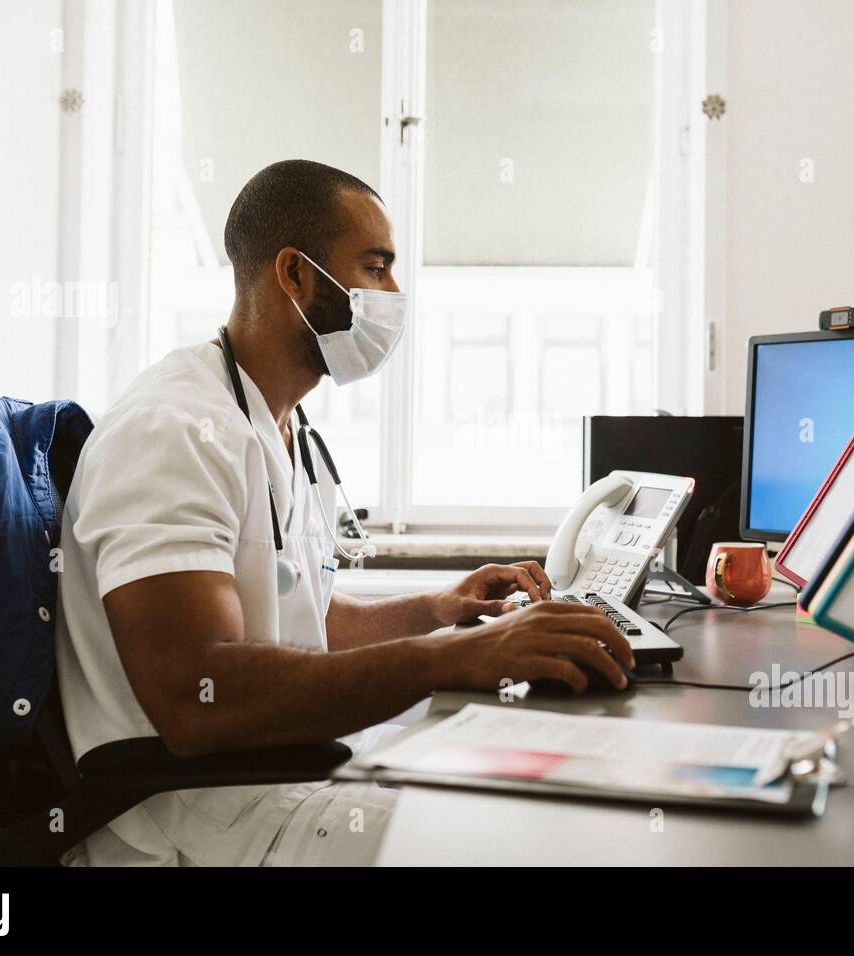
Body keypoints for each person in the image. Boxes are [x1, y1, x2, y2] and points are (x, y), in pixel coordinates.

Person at [54, 159, 632, 866]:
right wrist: (456, 658)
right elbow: (192, 697)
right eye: (376, 267)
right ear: (294, 275)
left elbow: (301, 623)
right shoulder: (173, 429)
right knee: (535, 837)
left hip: (280, 777)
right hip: (198, 817)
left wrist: (437, 610)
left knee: (545, 778)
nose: (393, 294)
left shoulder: (279, 424)